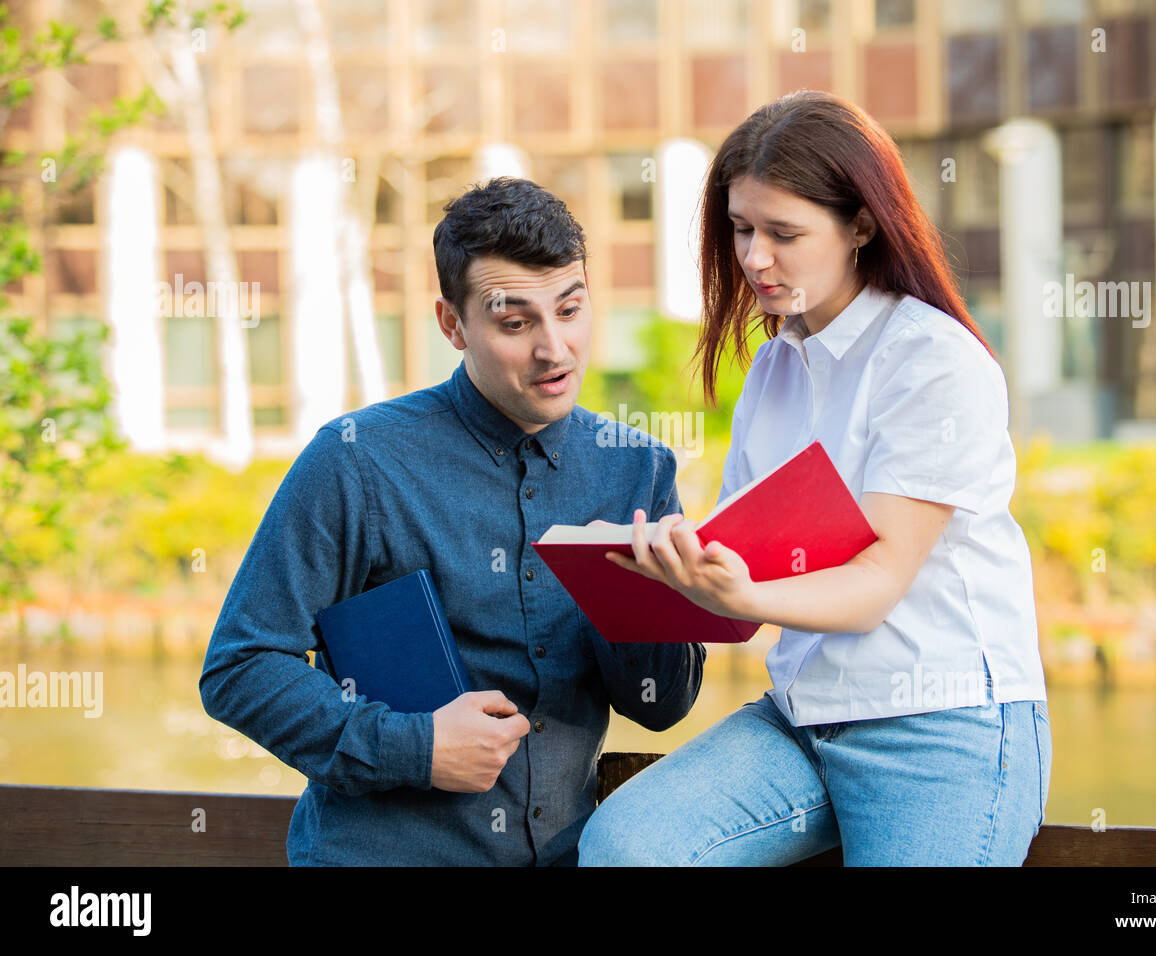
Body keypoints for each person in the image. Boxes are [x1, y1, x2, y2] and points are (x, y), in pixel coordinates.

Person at [577, 90, 1051, 866]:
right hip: (803, 722)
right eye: (740, 229)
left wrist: (740, 594)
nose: (754, 257)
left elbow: (876, 581)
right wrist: (671, 571)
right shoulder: (775, 367)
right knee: (629, 849)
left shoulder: (933, 361)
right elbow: (755, 570)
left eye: (783, 233)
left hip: (943, 724)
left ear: (862, 224)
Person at [199, 176, 705, 866]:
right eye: (515, 322)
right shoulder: (356, 460)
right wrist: (418, 749)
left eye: (570, 309)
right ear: (452, 324)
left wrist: (648, 603)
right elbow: (241, 667)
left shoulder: (636, 471)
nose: (554, 349)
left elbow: (662, 707)